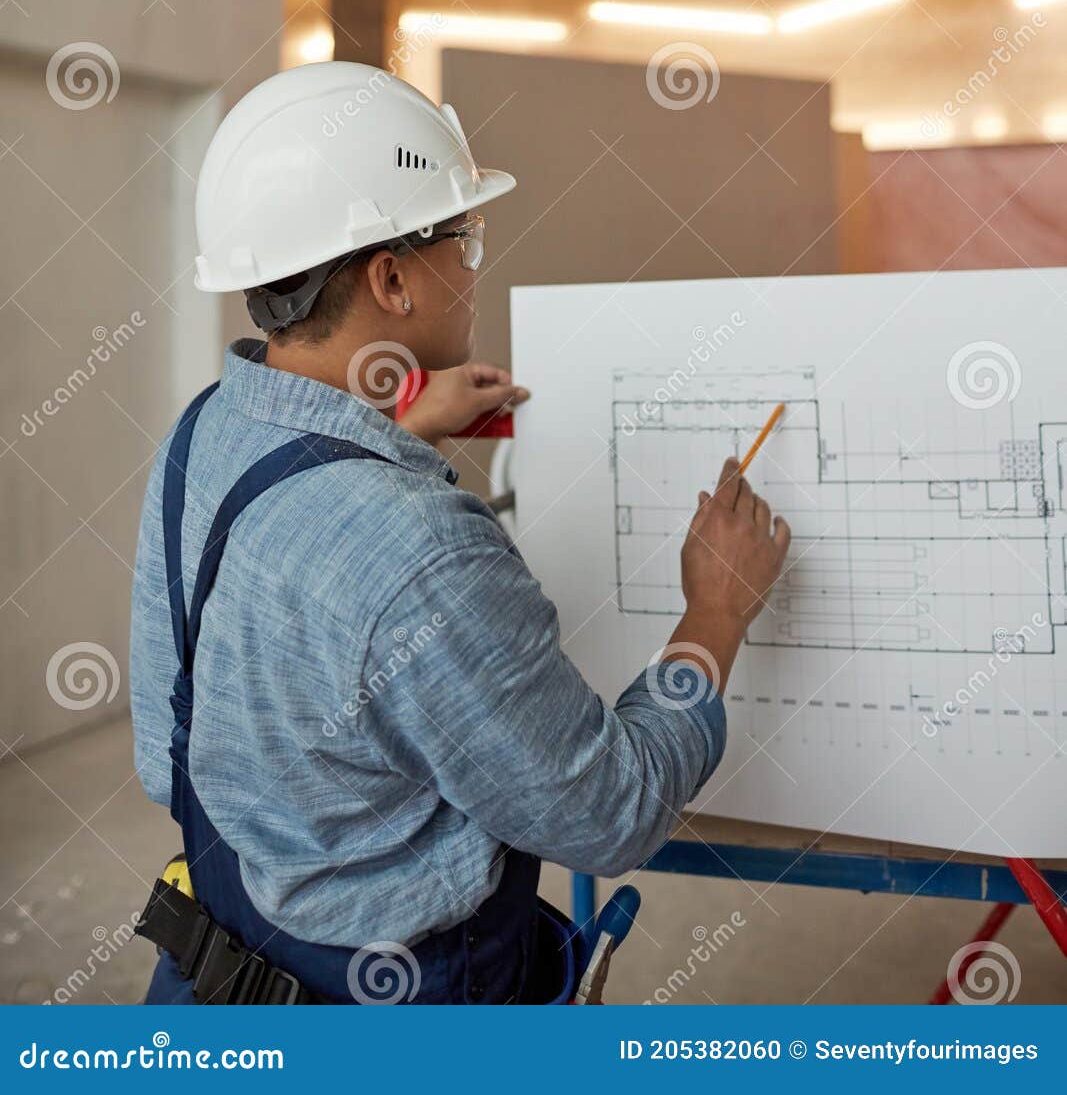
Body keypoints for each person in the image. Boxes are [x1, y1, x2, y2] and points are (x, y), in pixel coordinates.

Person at [129, 61, 790, 1005]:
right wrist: (716, 611)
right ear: (392, 277)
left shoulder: (202, 434)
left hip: (207, 988)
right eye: (462, 238)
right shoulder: (420, 552)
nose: (473, 265)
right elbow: (611, 812)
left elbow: (191, 728)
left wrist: (395, 425)